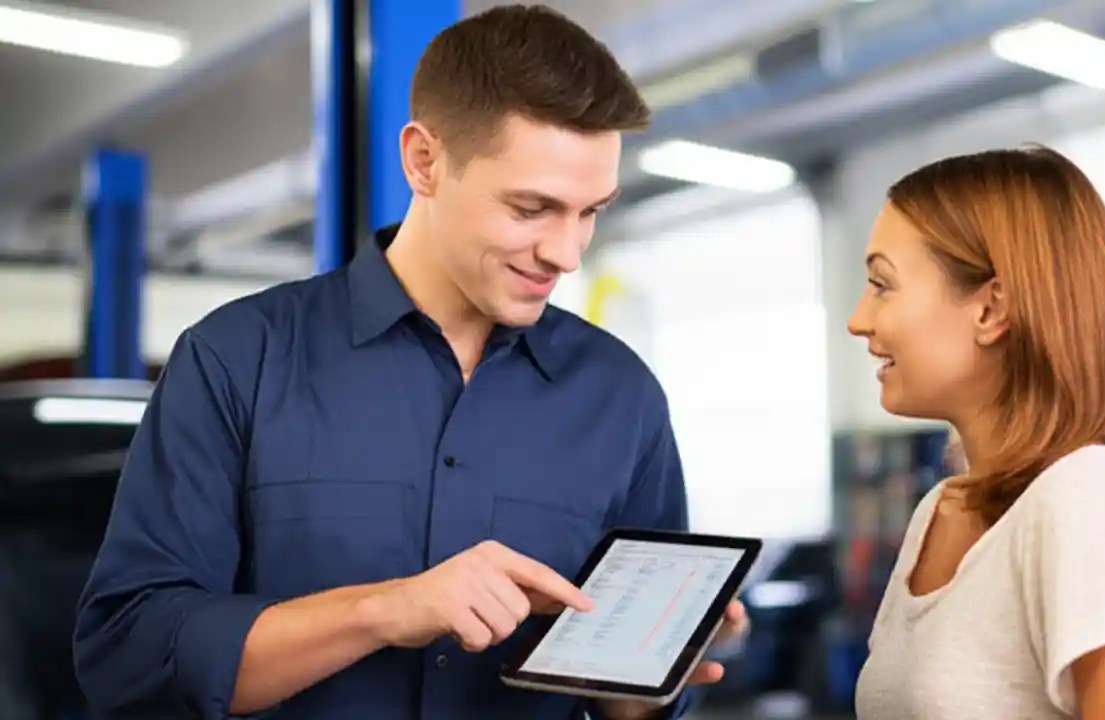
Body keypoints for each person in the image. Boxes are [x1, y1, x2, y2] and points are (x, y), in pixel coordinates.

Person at [72, 6, 746, 719]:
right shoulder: (238, 360)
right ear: (425, 160)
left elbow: (624, 705)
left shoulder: (621, 396)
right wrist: (384, 610)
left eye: (591, 211)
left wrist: (651, 674)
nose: (566, 252)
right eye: (531, 208)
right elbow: (129, 654)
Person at [849, 146, 1105, 719]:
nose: (858, 320)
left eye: (882, 284)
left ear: (991, 310)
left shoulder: (1090, 496)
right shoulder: (939, 510)